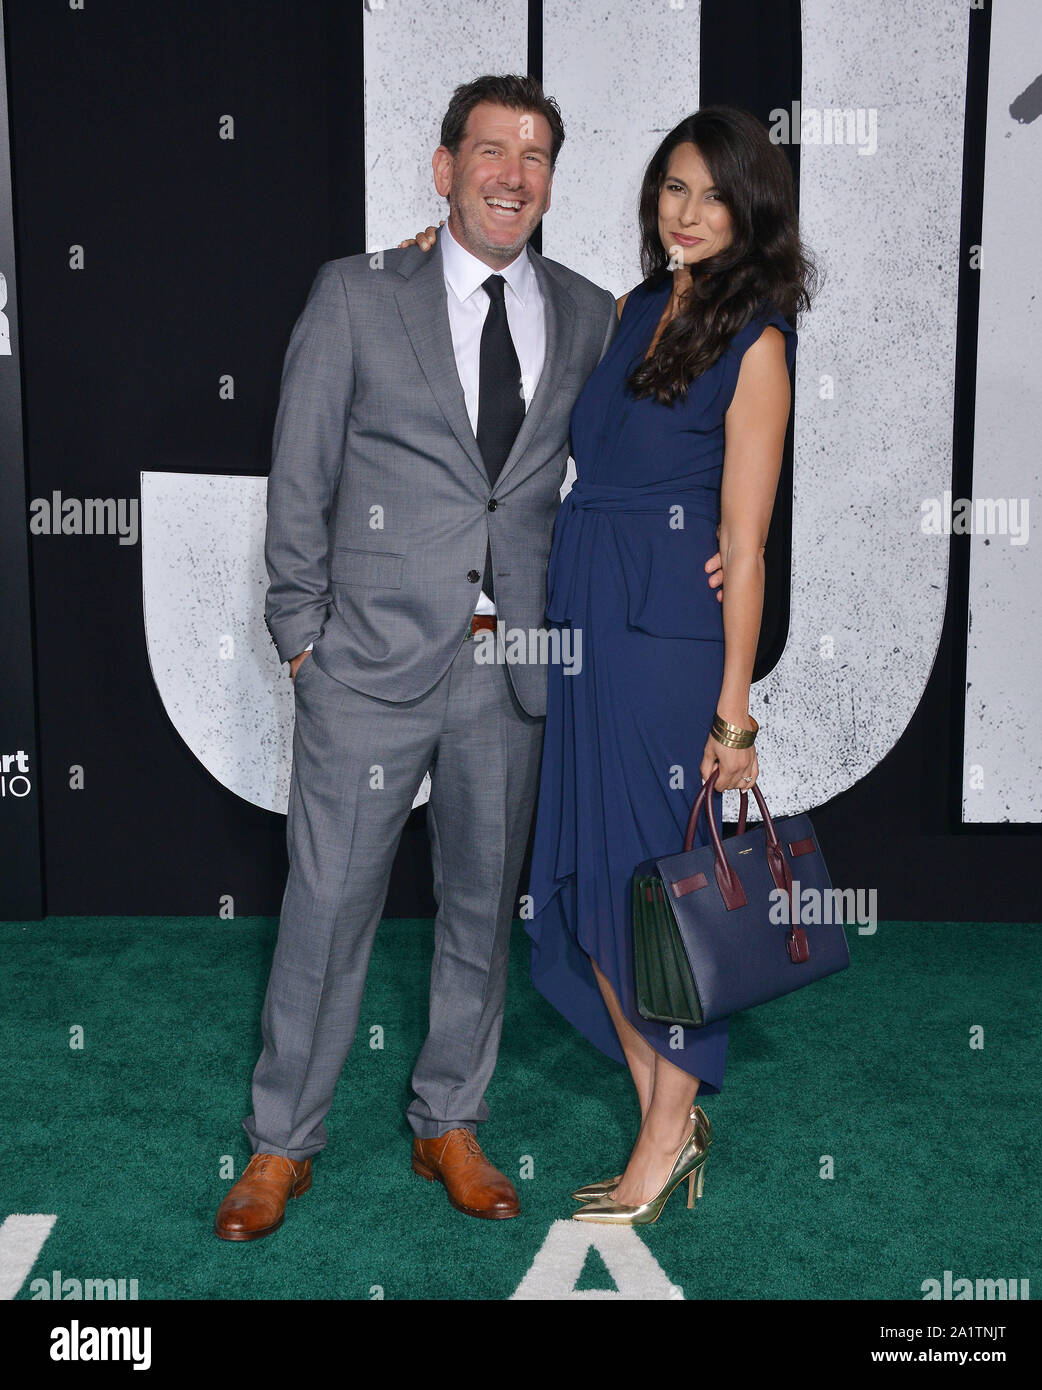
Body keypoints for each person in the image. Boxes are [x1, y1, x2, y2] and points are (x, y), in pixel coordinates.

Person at [213, 74, 728, 1241]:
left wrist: (724, 553)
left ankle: (450, 1117)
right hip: (368, 667)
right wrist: (304, 642)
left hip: (517, 668)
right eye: (490, 150)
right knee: (327, 908)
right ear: (443, 169)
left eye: (535, 155)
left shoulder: (598, 312)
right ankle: (281, 1141)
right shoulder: (355, 295)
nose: (513, 173)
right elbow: (299, 480)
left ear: (553, 182)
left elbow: (677, 433)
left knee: (478, 911)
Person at [525, 105, 817, 1226]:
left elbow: (743, 546)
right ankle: (671, 1110)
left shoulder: (761, 343)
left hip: (666, 648)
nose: (688, 213)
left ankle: (662, 1135)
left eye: (712, 195)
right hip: (589, 619)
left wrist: (733, 712)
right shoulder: (635, 308)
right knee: (599, 882)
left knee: (662, 885)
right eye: (673, 189)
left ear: (752, 212)